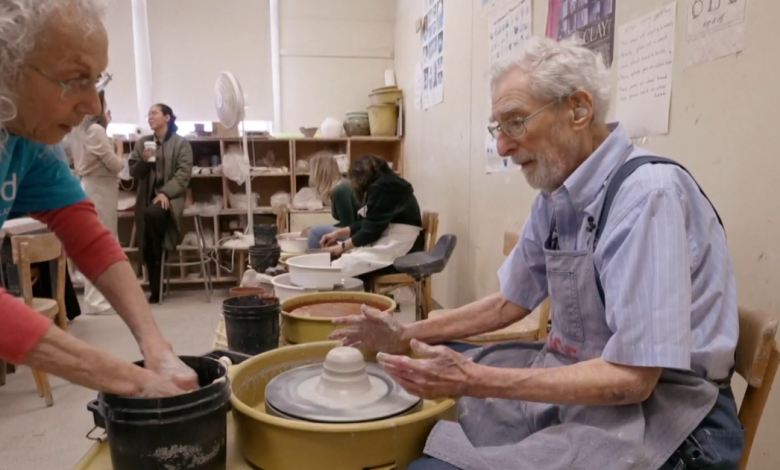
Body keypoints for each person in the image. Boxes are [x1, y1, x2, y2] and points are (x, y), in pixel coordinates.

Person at [330, 37, 743, 470]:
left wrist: (475, 379)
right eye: (499, 128)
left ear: (579, 110)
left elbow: (633, 379)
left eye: (516, 122)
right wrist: (405, 335)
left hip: (672, 415)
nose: (504, 146)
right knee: (426, 380)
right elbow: (510, 302)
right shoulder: (557, 195)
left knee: (432, 458)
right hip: (593, 384)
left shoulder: (646, 197)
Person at [0, 0, 197, 397]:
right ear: (8, 69)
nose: (93, 104)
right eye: (75, 79)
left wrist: (155, 345)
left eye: (96, 81)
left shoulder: (26, 136)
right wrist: (129, 380)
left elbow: (85, 233)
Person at [320, 154, 424, 280]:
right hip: (394, 237)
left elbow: (370, 231)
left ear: (360, 176)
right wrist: (337, 234)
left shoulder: (383, 186)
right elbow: (368, 222)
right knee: (349, 257)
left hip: (402, 243)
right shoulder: (386, 182)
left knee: (345, 265)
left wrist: (341, 247)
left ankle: (349, 297)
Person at [128, 104, 193, 304]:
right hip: (147, 198)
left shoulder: (181, 144)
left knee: (152, 216)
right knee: (147, 226)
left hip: (171, 197)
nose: (150, 117)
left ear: (167, 117)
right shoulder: (143, 143)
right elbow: (133, 173)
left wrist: (165, 192)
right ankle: (158, 269)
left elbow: (183, 175)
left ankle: (159, 254)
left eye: (154, 113)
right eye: (148, 114)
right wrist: (145, 162)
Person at [70, 90, 123, 314]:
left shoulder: (80, 130)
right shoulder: (96, 130)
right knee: (104, 243)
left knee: (98, 242)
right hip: (101, 189)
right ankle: (96, 301)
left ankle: (99, 299)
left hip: (92, 186)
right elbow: (114, 164)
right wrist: (119, 147)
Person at [303, 152, 360, 250]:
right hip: (357, 228)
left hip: (359, 232)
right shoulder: (342, 186)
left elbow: (349, 226)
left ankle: (315, 262)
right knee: (312, 230)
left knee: (314, 232)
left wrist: (317, 230)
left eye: (312, 171)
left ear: (319, 172)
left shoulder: (340, 190)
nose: (310, 175)